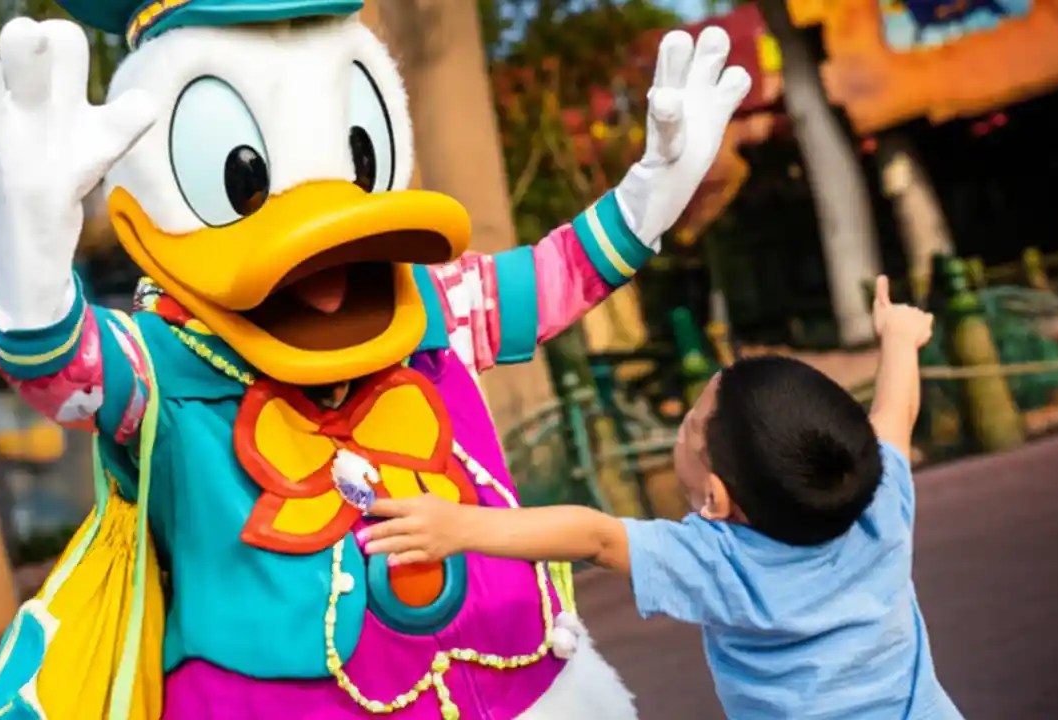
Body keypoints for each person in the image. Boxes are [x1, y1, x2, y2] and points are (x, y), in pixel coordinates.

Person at [361, 275, 963, 719]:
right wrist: (901, 339)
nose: (685, 421)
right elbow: (895, 413)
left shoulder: (721, 560)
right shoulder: (877, 502)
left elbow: (593, 535)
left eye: (692, 422)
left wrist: (458, 527)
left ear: (715, 498)